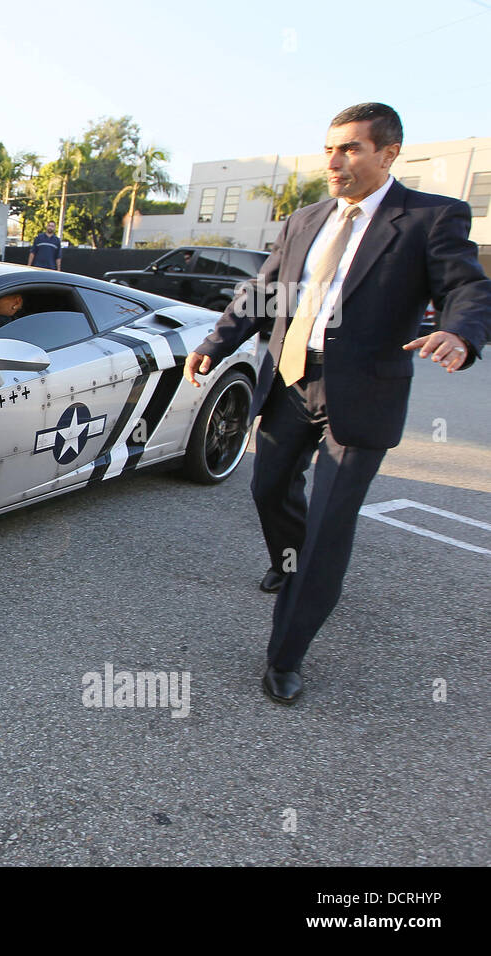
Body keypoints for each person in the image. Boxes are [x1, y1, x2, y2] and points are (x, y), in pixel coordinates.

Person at [182, 102, 491, 706]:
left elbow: (467, 287)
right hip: (291, 379)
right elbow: (262, 291)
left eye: (350, 148)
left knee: (328, 529)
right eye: (329, 148)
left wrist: (461, 331)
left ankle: (286, 653)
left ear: (388, 153)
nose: (335, 160)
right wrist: (215, 344)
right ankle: (289, 561)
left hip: (363, 394)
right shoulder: (305, 219)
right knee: (268, 491)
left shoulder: (430, 218)